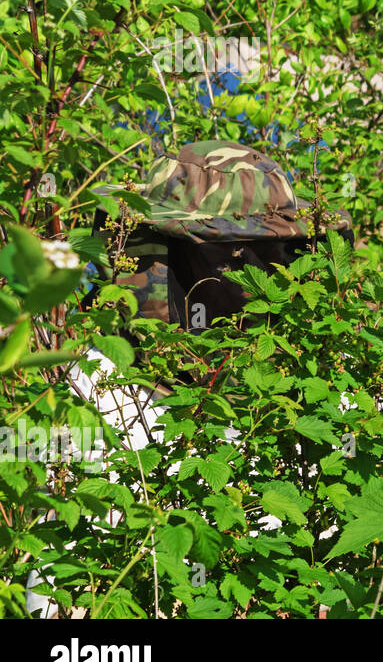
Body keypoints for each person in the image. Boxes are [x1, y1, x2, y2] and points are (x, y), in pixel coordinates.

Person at [25, 141, 350, 617]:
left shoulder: (316, 383)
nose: (275, 266)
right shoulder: (99, 394)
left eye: (282, 246)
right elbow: (63, 591)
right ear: (167, 254)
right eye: (241, 252)